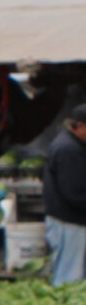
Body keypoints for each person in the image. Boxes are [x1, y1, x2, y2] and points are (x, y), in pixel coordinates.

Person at [44, 104, 86, 285]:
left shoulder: (73, 145)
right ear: (79, 126)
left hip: (71, 221)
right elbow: (74, 192)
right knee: (69, 276)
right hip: (69, 222)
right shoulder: (68, 149)